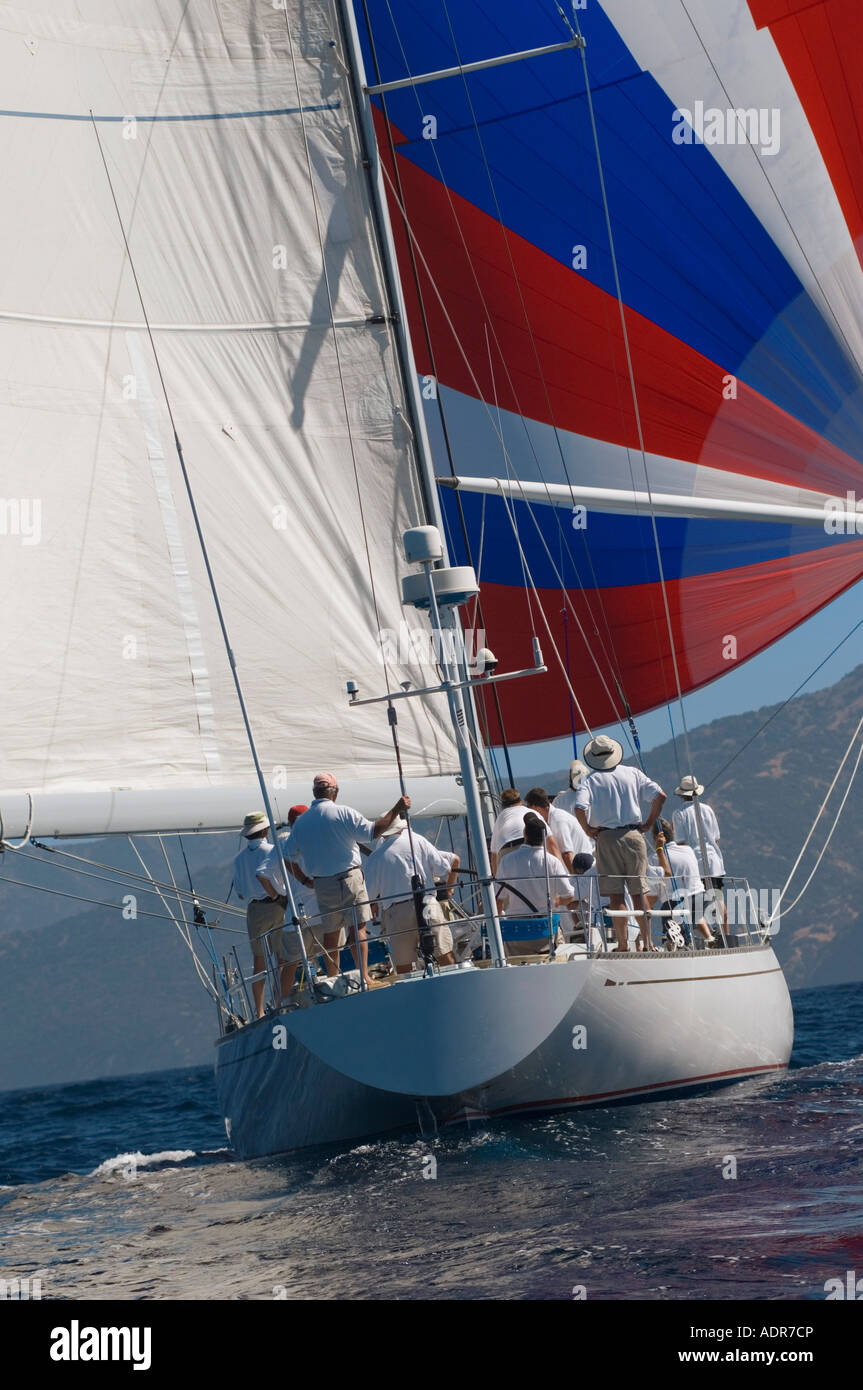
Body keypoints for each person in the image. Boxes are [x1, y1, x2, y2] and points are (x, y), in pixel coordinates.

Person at [286, 772, 410, 985]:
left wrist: (305, 881)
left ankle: (334, 980)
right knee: (358, 929)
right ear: (334, 792)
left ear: (315, 793)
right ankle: (365, 977)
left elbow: (288, 857)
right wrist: (397, 808)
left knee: (331, 935)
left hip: (322, 884)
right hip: (349, 878)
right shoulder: (342, 812)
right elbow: (374, 831)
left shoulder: (302, 823)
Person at [572, 735, 665, 952]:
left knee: (616, 894)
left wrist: (588, 830)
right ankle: (648, 943)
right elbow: (660, 796)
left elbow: (579, 808)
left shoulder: (591, 780)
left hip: (605, 838)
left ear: (593, 757)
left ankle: (623, 945)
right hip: (634, 835)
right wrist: (649, 823)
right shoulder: (632, 773)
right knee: (639, 892)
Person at [364, 818, 459, 974]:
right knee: (443, 953)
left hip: (397, 912)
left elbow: (369, 895)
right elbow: (443, 868)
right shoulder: (418, 841)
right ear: (401, 828)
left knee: (404, 966)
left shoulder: (376, 857)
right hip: (427, 903)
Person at [257, 806, 320, 995]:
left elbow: (262, 874)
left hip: (296, 915)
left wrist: (279, 896)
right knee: (330, 955)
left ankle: (281, 1003)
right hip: (323, 912)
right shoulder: (318, 840)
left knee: (290, 964)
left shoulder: (283, 844)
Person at [495, 812, 578, 956]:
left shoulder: (507, 861)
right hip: (545, 930)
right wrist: (557, 901)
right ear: (544, 837)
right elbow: (570, 896)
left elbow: (498, 899)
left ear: (524, 833)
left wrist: (496, 924)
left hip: (517, 932)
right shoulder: (552, 861)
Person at [233, 812, 286, 1019]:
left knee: (259, 961)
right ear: (264, 830)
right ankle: (280, 1000)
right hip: (276, 904)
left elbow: (239, 892)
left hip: (254, 910)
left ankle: (259, 1010)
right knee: (282, 957)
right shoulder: (273, 851)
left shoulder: (238, 859)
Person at [671, 775, 728, 934]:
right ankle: (726, 937)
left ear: (682, 794)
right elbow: (716, 839)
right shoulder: (708, 809)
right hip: (714, 863)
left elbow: (681, 843)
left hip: (695, 865)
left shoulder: (679, 813)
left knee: (695, 908)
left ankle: (705, 937)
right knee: (718, 900)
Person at [652, 820, 714, 946]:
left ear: (655, 838)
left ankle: (679, 946)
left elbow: (651, 895)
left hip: (675, 904)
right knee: (694, 911)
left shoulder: (654, 858)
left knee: (671, 933)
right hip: (701, 898)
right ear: (672, 834)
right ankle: (710, 938)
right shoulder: (688, 850)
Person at [524, 786, 590, 873]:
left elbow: (567, 854)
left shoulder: (557, 820)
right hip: (580, 868)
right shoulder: (554, 818)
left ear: (536, 808)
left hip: (582, 871)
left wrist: (574, 879)